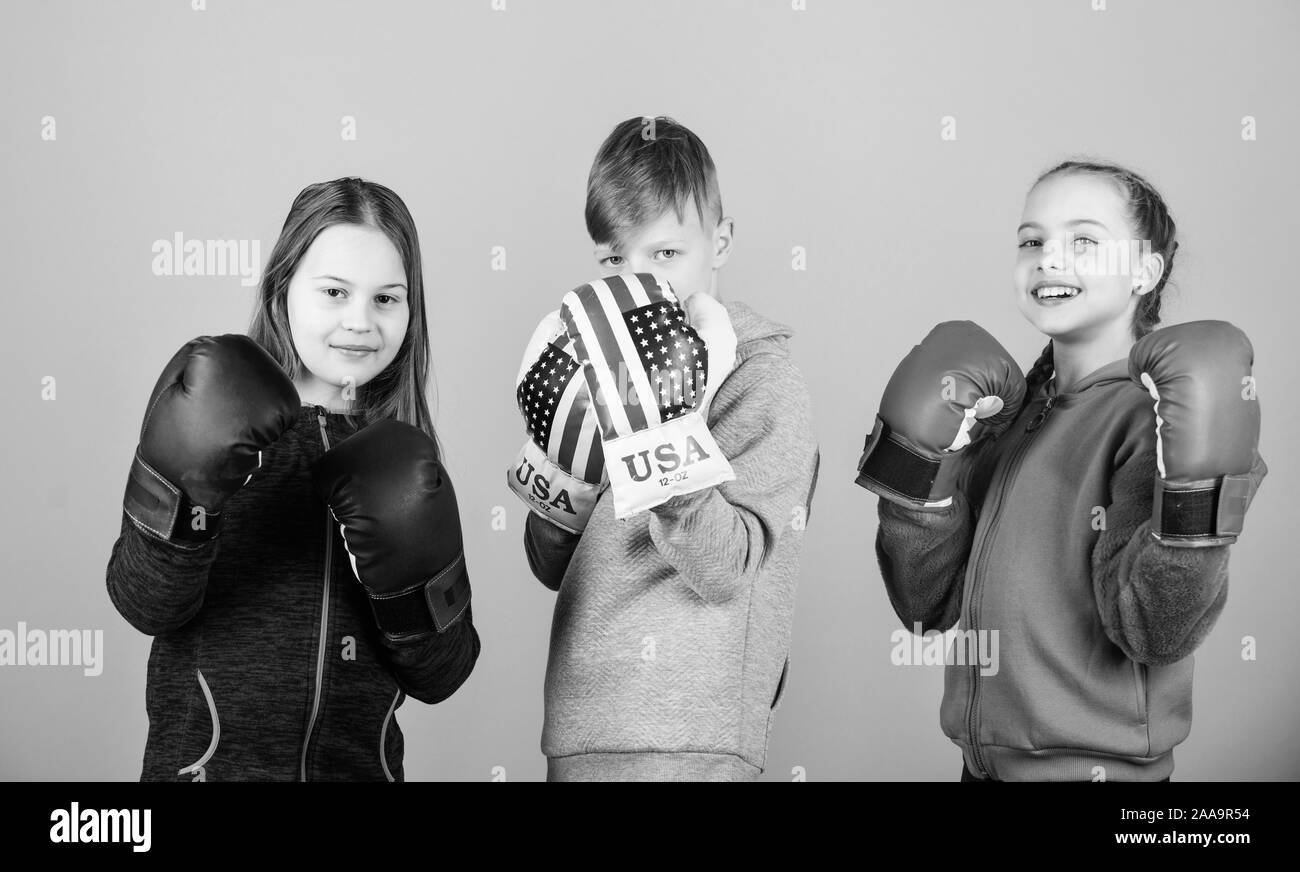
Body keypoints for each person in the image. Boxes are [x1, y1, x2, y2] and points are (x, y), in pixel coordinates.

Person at [859, 160, 1266, 781]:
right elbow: (925, 606)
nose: (1050, 258)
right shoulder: (1002, 413)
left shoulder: (1150, 422)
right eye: (1032, 241)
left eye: (1084, 240)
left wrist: (1196, 503)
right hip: (980, 770)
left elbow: (1155, 633)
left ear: (1145, 271)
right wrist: (918, 484)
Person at [106, 178, 479, 781]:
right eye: (334, 292)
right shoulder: (216, 414)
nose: (360, 322)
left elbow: (443, 674)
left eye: (386, 298)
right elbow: (144, 603)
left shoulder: (403, 458)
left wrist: (408, 588)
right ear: (283, 292)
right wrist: (186, 504)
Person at [513, 116, 820, 781]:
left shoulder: (762, 378)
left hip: (691, 734)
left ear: (721, 242)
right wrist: (563, 468)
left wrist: (663, 435)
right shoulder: (595, 366)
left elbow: (727, 568)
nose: (638, 283)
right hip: (583, 726)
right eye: (614, 261)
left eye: (665, 255)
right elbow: (549, 564)